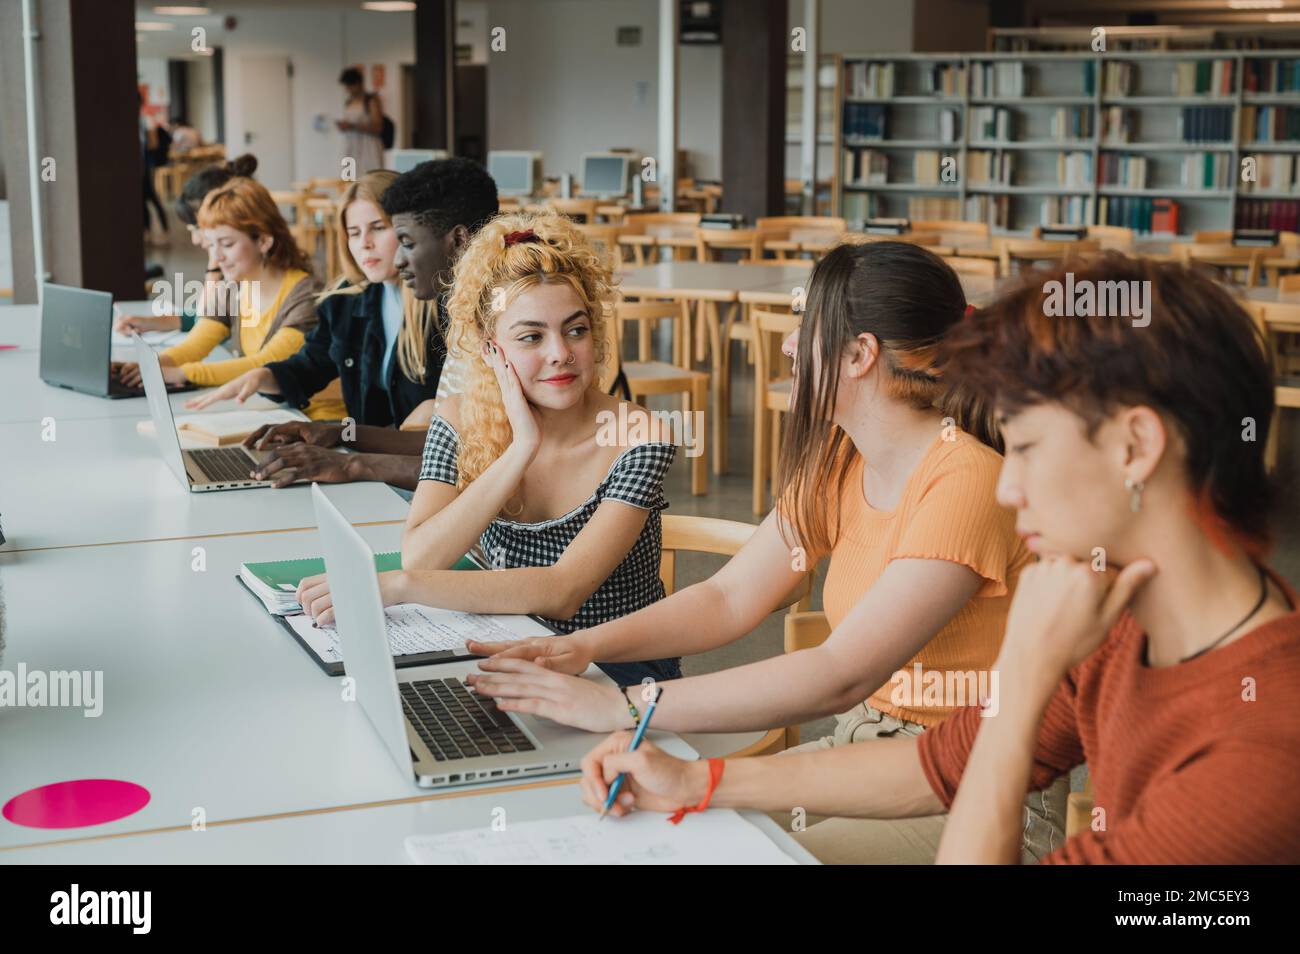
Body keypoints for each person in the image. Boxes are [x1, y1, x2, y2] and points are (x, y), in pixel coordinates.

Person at [574, 254, 1300, 865]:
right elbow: (934, 767)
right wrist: (697, 780)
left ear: (1136, 449)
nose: (1008, 487)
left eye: (1031, 449)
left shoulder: (1260, 759)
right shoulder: (1120, 622)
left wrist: (1020, 678)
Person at [465, 240, 1066, 859]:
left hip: (979, 792)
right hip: (861, 750)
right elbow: (727, 598)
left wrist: (620, 703)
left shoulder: (964, 478)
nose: (786, 343)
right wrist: (582, 647)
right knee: (664, 835)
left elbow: (839, 674)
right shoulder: (841, 454)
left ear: (859, 355)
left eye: (806, 327)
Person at [296, 211, 683, 686]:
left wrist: (396, 586)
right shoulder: (457, 417)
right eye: (531, 337)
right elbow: (423, 554)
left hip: (618, 668)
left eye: (575, 329)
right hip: (504, 642)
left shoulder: (641, 436)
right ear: (489, 349)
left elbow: (563, 591)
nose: (560, 352)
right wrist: (519, 450)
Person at [189, 158, 499, 489]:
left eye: (382, 230)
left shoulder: (467, 313)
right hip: (389, 477)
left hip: (416, 486)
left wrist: (352, 458)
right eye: (353, 233)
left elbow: (467, 454)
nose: (366, 245)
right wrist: (340, 435)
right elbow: (445, 443)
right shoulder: (348, 299)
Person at [114, 177, 338, 423]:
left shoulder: (305, 294)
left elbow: (266, 364)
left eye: (227, 244)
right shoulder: (234, 287)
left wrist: (180, 373)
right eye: (211, 245)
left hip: (316, 419)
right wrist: (147, 365)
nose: (217, 257)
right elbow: (196, 344)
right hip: (274, 413)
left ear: (264, 241)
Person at [114, 154, 259, 337]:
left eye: (198, 228)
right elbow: (204, 316)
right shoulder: (229, 263)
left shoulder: (248, 270)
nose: (195, 240)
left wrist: (213, 270)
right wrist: (149, 323)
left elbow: (207, 324)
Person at [337, 67, 384, 176]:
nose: (347, 89)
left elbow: (378, 127)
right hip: (351, 145)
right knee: (348, 177)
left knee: (370, 178)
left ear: (358, 83)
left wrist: (353, 126)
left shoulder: (371, 100)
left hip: (368, 146)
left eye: (349, 86)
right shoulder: (349, 102)